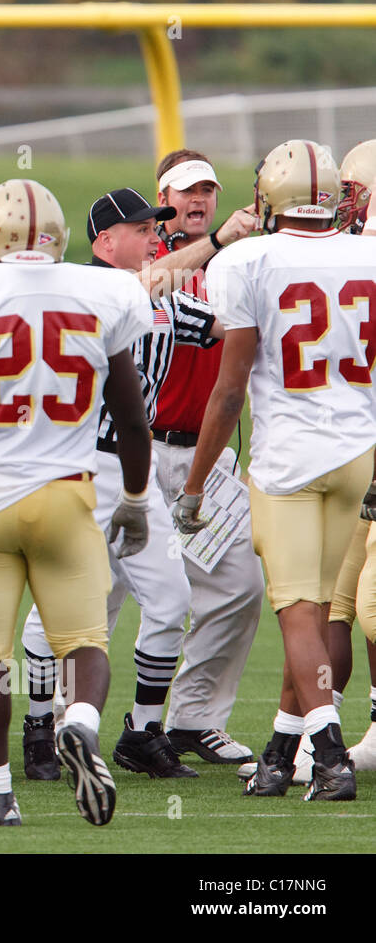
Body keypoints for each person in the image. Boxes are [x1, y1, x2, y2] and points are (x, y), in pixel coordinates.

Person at [0, 178, 154, 826]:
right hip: (68, 496)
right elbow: (131, 420)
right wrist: (134, 498)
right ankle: (82, 722)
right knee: (85, 642)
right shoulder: (105, 293)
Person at [15, 187, 255, 783]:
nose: (154, 235)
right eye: (143, 227)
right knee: (58, 610)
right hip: (74, 468)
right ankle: (39, 730)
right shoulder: (78, 286)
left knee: (171, 601)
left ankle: (143, 733)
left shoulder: (161, 297)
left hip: (133, 473)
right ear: (104, 241)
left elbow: (226, 329)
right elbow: (131, 290)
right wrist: (220, 239)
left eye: (156, 227)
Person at [174, 139, 371, 802]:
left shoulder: (249, 260)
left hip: (288, 461)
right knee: (313, 615)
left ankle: (331, 754)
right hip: (356, 456)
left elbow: (229, 394)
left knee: (295, 615)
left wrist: (196, 484)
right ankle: (281, 754)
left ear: (268, 197)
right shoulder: (368, 253)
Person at [145, 152, 264, 766]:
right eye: (186, 191)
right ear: (162, 195)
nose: (198, 200)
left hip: (206, 456)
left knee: (240, 586)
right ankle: (62, 720)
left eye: (208, 191)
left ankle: (194, 719)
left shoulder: (242, 260)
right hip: (135, 454)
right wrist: (217, 240)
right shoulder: (143, 249)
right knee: (104, 594)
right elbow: (145, 283)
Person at [330, 139, 376, 773]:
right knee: (340, 598)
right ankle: (327, 734)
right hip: (347, 441)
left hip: (349, 439)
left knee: (362, 601)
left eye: (346, 191)